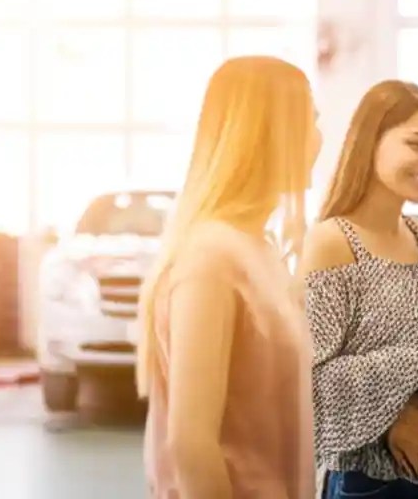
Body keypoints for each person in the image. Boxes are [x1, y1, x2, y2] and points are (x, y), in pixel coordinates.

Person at [135, 56, 323, 499]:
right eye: (309, 121)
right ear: (269, 132)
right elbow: (191, 442)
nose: (318, 138)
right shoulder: (211, 256)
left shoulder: (261, 250)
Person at [298, 80, 418, 499]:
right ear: (371, 143)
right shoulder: (331, 242)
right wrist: (413, 381)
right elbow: (310, 380)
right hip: (374, 482)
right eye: (416, 143)